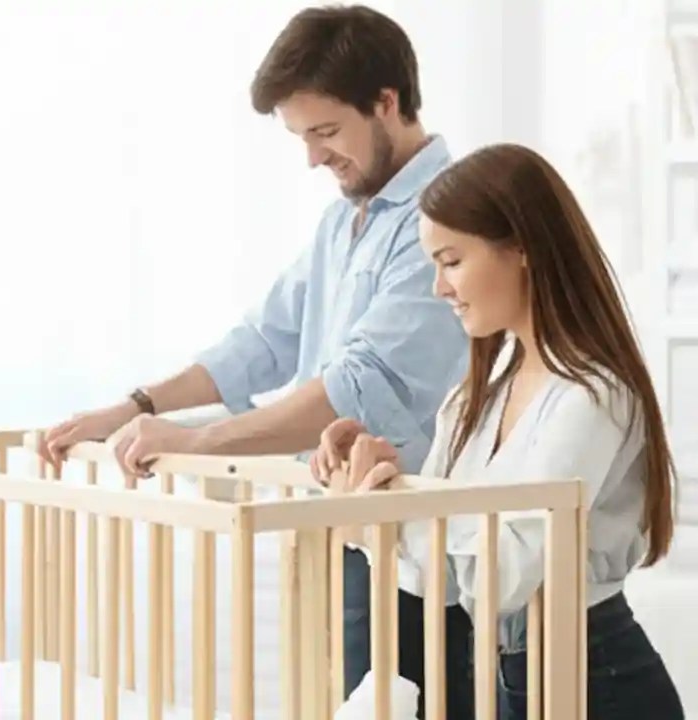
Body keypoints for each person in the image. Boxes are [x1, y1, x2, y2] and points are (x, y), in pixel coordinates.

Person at [35, 5, 472, 716]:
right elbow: (263, 340)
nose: (312, 158)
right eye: (301, 138)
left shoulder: (447, 211)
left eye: (325, 132)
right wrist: (139, 406)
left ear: (386, 103)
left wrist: (199, 442)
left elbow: (361, 386)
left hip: (410, 538)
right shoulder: (345, 218)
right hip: (343, 525)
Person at [312, 142, 685, 718]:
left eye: (451, 261)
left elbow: (502, 579)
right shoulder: (473, 398)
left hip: (599, 682)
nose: (438, 287)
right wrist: (378, 497)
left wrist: (385, 518)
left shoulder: (593, 396)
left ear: (521, 249)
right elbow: (439, 583)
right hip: (512, 678)